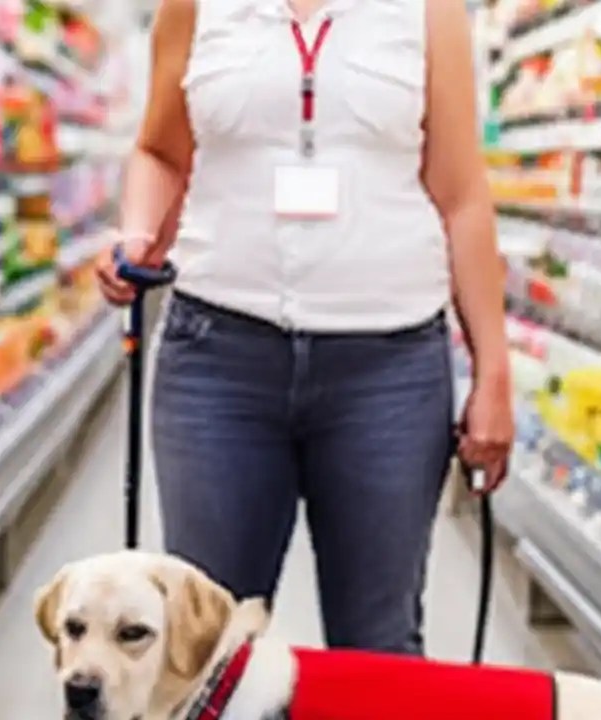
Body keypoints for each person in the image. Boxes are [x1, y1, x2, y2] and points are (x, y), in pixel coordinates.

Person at [95, 0, 513, 655]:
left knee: (378, 645)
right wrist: (139, 232)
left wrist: (494, 373)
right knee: (208, 642)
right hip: (218, 362)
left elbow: (461, 196)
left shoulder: (430, 11)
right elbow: (159, 152)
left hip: (388, 372)